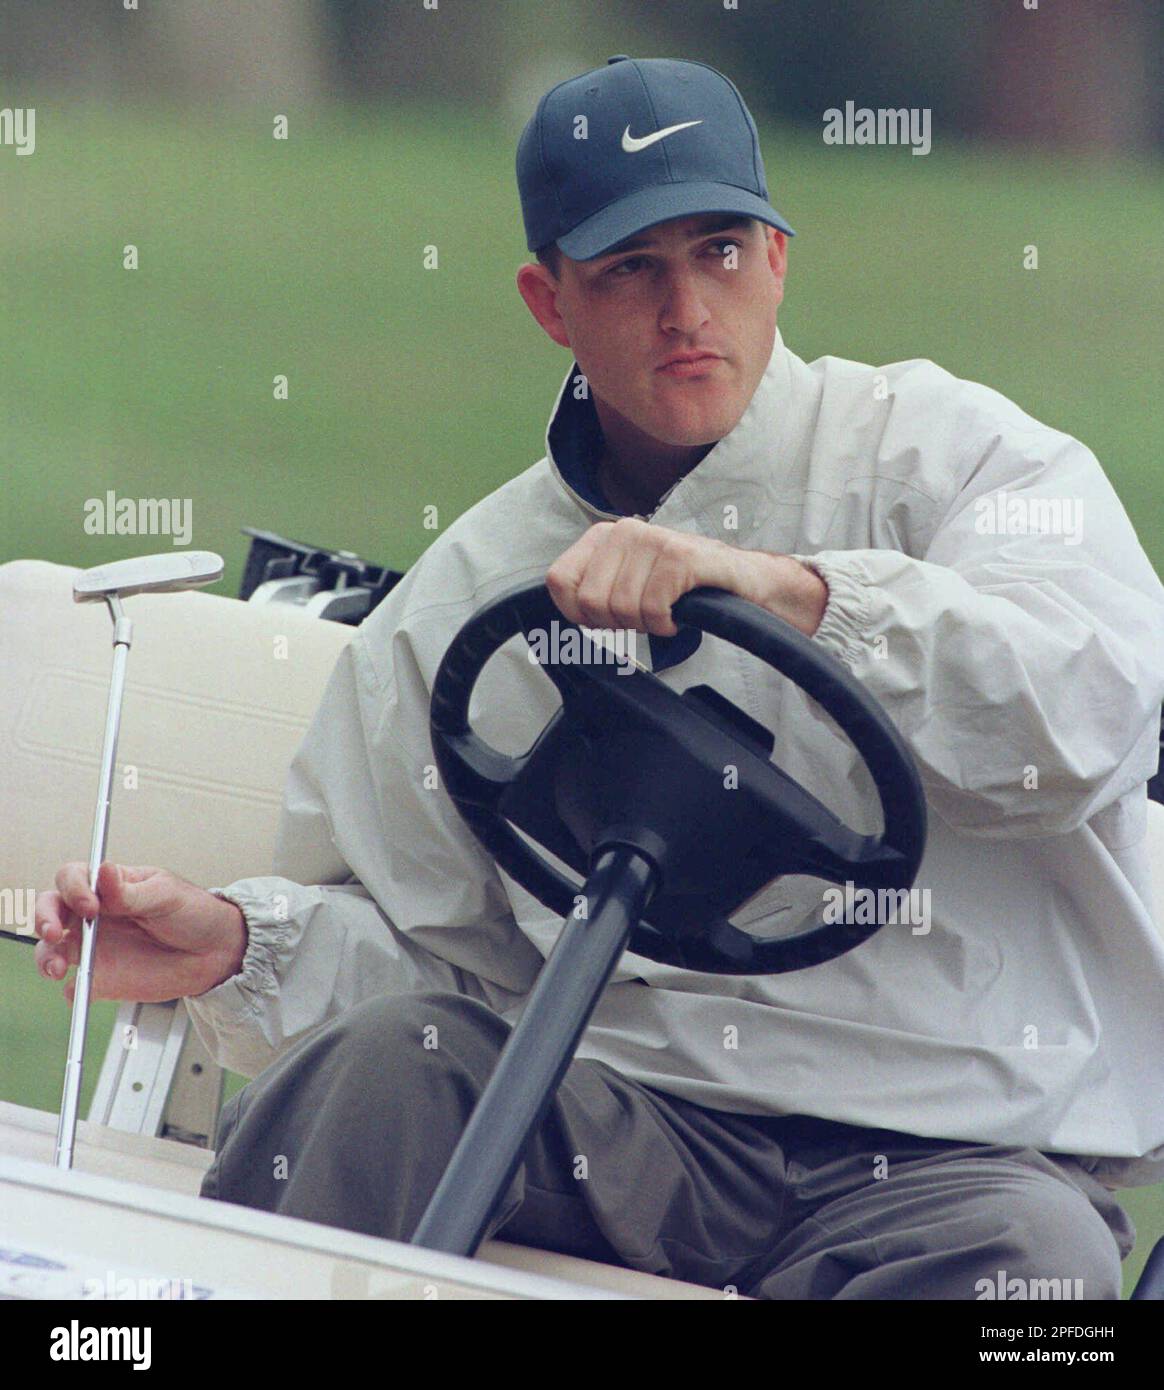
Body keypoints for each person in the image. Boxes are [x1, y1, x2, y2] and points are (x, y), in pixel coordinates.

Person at [34, 55, 1164, 1299]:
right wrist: (237, 943)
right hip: (634, 1124)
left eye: (720, 251)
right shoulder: (465, 601)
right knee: (385, 1070)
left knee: (1038, 1273)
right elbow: (446, 964)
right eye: (631, 268)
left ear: (780, 259)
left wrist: (787, 588)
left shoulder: (957, 458)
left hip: (963, 1156)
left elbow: (1082, 718)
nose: (687, 307)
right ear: (549, 301)